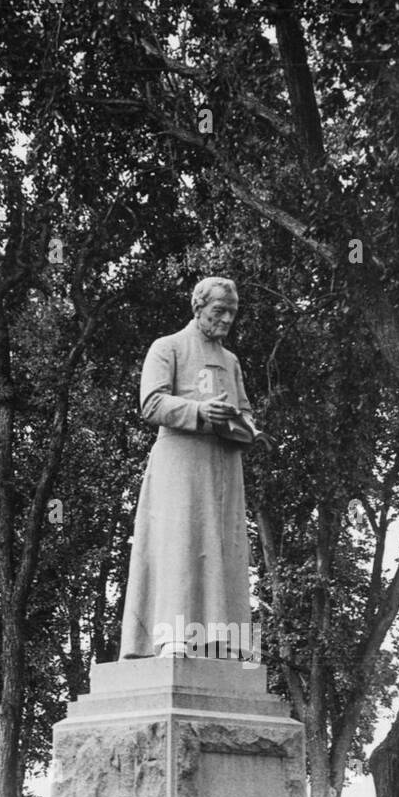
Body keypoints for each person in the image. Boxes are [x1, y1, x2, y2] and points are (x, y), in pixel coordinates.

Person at [119, 276, 271, 660]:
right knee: (179, 545)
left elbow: (246, 413)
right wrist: (200, 412)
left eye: (232, 313)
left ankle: (223, 643)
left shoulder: (231, 361)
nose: (226, 320)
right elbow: (151, 404)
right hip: (180, 462)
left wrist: (245, 428)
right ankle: (172, 637)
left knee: (224, 548)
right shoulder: (166, 347)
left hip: (223, 466)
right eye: (219, 311)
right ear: (197, 307)